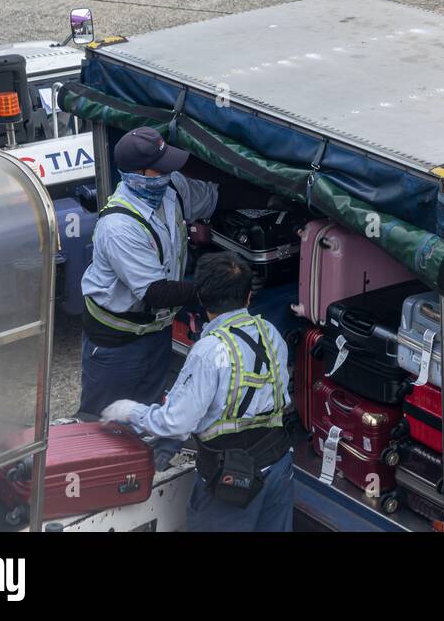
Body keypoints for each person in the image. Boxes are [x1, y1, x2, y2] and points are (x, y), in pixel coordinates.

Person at [101, 252, 293, 533]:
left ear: (201, 299)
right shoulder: (270, 332)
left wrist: (129, 411)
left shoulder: (210, 350)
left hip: (232, 479)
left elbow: (176, 421)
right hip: (278, 464)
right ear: (249, 297)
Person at [78, 126, 219, 416]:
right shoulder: (119, 227)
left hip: (156, 333)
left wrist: (278, 198)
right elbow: (156, 292)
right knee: (104, 422)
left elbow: (216, 197)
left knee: (146, 414)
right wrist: (217, 288)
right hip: (116, 342)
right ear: (136, 175)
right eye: (160, 169)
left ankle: (144, 460)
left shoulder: (171, 191)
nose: (168, 174)